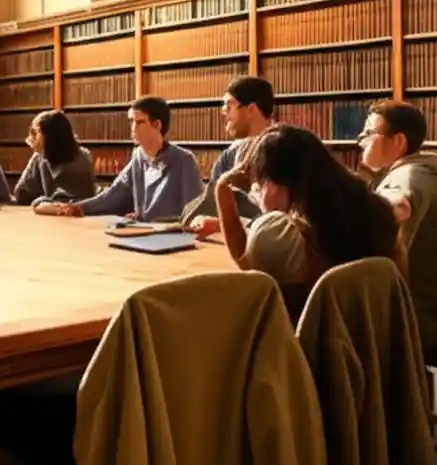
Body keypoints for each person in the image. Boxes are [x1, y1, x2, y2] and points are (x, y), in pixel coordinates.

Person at [216, 124, 405, 319]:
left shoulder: (284, 236)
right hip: (375, 336)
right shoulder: (375, 210)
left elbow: (246, 261)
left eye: (261, 182)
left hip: (313, 343)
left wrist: (222, 189)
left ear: (276, 184)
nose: (257, 191)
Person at [358, 99, 437, 352]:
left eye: (370, 133)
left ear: (398, 141)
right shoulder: (430, 171)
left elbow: (381, 251)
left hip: (426, 317)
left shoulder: (407, 180)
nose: (361, 140)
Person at [45, 96, 203, 222]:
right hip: (142, 233)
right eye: (131, 122)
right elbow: (112, 196)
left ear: (157, 125)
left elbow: (194, 213)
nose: (132, 128)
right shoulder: (138, 156)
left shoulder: (184, 160)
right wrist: (76, 207)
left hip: (172, 238)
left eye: (139, 122)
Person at [182, 76, 275, 236]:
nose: (223, 111)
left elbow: (282, 219)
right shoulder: (229, 155)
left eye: (229, 105)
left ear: (251, 109)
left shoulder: (283, 148)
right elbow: (209, 204)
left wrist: (221, 224)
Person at [14, 110, 97, 208]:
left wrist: (41, 202)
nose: (31, 139)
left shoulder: (81, 160)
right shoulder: (40, 157)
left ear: (49, 136)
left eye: (35, 133)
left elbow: (69, 203)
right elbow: (21, 193)